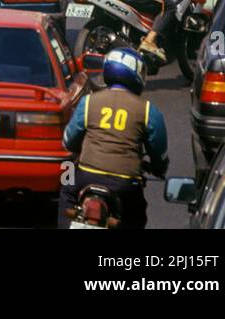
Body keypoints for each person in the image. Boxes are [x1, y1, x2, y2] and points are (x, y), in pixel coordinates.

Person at [59, 47, 167, 228]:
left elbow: (69, 141)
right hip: (126, 183)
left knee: (67, 195)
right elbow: (158, 149)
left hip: (86, 175)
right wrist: (158, 166)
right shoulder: (148, 109)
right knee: (136, 216)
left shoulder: (89, 101)